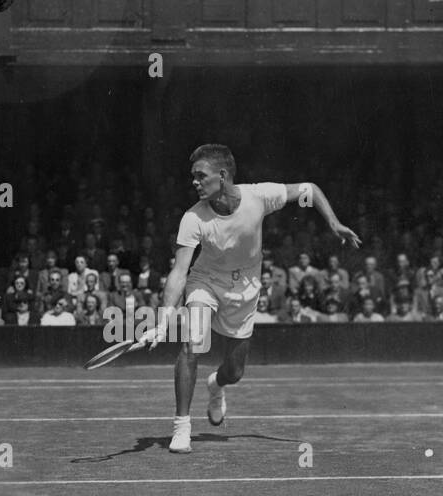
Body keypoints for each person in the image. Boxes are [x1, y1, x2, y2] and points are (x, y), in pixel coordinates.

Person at [144, 144, 360, 454]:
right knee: (192, 343)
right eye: (193, 177)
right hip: (205, 282)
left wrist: (334, 223)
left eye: (199, 176)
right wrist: (164, 318)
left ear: (222, 175)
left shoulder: (260, 196)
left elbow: (309, 191)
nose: (194, 182)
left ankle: (216, 385)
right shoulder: (192, 218)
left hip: (245, 289)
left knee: (235, 372)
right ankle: (182, 426)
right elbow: (180, 272)